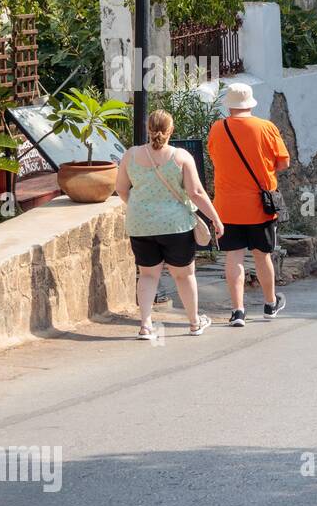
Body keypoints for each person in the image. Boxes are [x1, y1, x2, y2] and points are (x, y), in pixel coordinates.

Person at [116, 110, 224, 339]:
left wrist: (141, 208)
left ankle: (145, 326)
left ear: (148, 129)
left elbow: (121, 189)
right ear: (170, 130)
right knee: (184, 275)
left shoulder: (131, 155)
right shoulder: (181, 156)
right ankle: (194, 323)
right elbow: (195, 193)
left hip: (140, 225)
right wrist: (214, 217)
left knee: (147, 275)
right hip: (176, 226)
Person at [207, 82, 290, 328]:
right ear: (250, 103)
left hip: (227, 205)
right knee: (263, 256)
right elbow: (283, 163)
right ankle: (269, 304)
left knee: (234, 257)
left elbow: (215, 158)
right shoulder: (266, 128)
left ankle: (238, 311)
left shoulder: (217, 129)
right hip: (259, 205)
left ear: (229, 105)